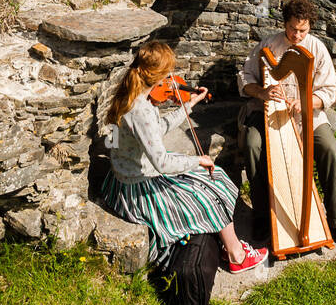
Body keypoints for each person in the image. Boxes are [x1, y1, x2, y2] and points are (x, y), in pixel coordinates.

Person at [101, 40, 267, 273]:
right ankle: (236, 255)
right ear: (156, 76)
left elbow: (156, 131)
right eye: (167, 73)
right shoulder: (142, 111)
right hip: (139, 187)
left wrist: (189, 105)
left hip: (127, 176)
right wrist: (197, 160)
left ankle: (230, 246)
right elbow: (161, 162)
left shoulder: (131, 95)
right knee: (209, 191)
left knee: (214, 176)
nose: (170, 79)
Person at [239, 0, 336, 248]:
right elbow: (245, 77)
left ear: (310, 27)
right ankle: (261, 214)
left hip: (308, 117)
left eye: (302, 30)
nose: (297, 35)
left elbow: (328, 92)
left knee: (330, 151)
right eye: (293, 28)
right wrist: (262, 93)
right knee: (252, 144)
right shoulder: (269, 44)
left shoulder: (317, 49)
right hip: (268, 112)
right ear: (285, 24)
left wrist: (306, 102)